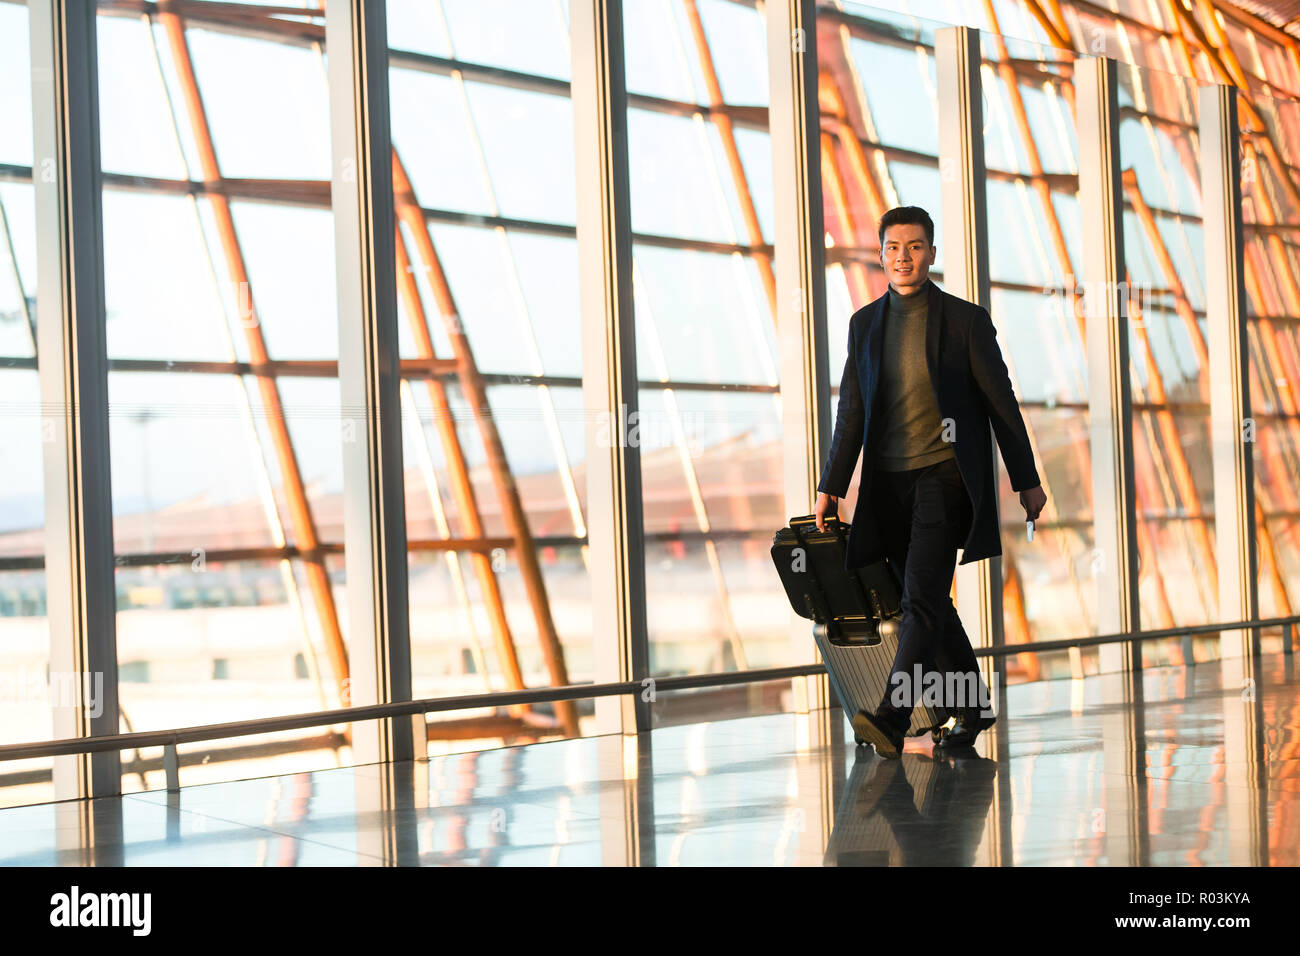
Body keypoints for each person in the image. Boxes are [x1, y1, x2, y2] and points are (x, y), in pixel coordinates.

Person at [813, 205, 1047, 759]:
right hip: (887, 488)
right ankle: (971, 707)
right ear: (881, 254)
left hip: (943, 480)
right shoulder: (864, 325)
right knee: (928, 600)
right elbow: (852, 414)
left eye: (915, 247)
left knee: (919, 600)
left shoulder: (965, 322)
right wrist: (832, 486)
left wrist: (1026, 480)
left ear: (931, 254)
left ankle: (894, 718)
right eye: (894, 247)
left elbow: (1001, 405)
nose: (903, 257)